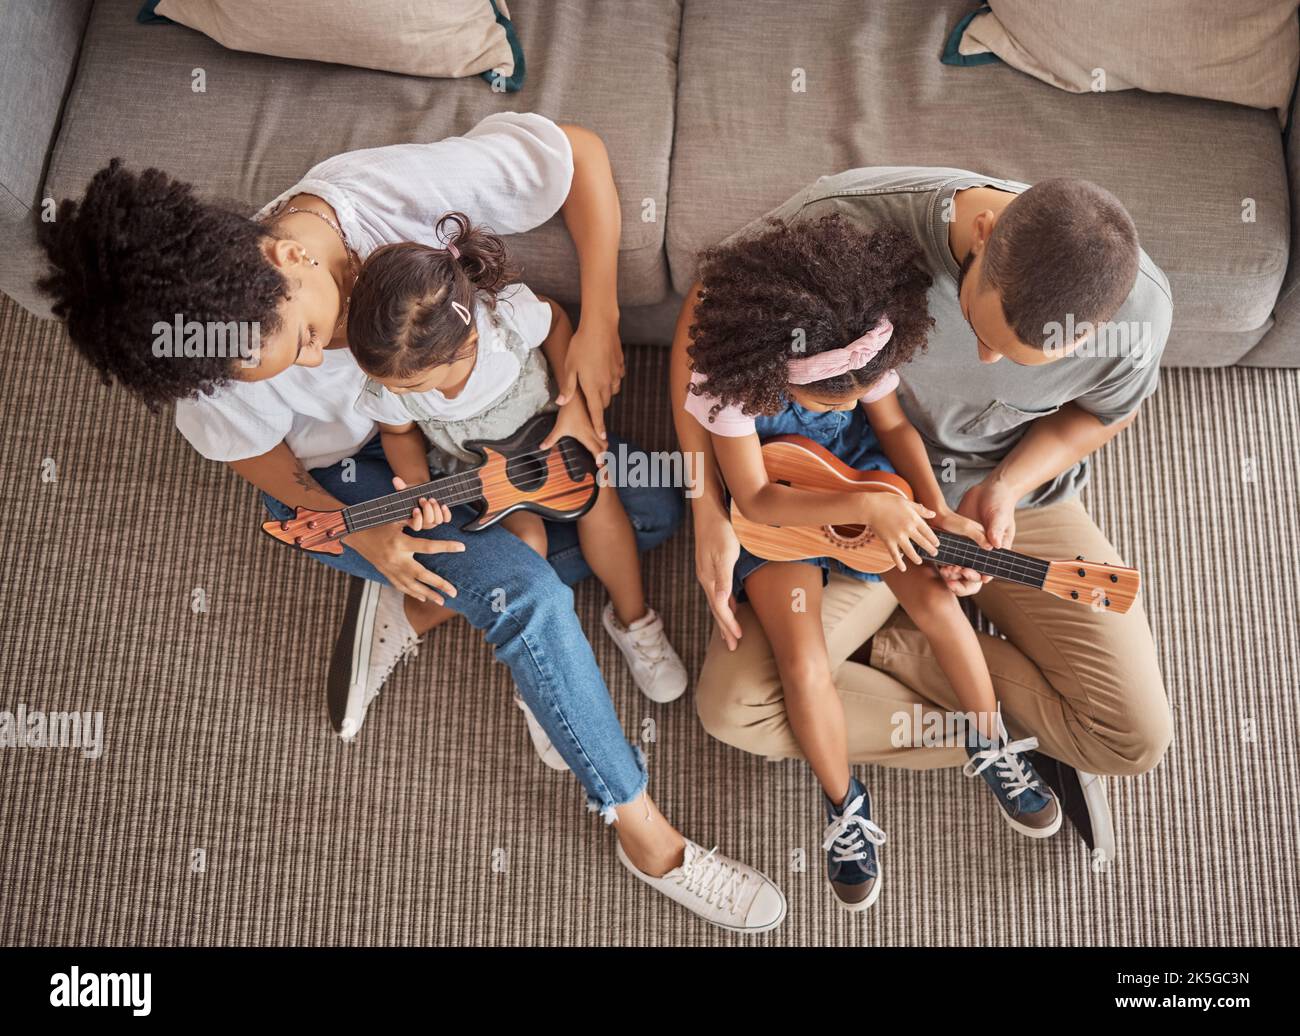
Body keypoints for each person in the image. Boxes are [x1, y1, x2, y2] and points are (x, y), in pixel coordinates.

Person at [40, 113, 787, 932]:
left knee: (643, 511)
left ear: (286, 256)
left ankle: (420, 604)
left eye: (307, 337)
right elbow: (277, 475)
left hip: (461, 441)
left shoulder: (380, 196)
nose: (312, 362)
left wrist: (599, 322)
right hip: (350, 485)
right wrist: (362, 528)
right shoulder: (208, 359)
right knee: (528, 595)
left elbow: (579, 153)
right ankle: (645, 833)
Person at [672, 170, 1173, 848]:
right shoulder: (849, 222)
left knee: (1132, 738)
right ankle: (966, 731)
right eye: (978, 326)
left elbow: (1107, 414)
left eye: (1021, 356)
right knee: (736, 708)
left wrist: (1004, 488)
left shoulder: (1135, 307)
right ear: (984, 234)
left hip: (963, 491)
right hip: (836, 492)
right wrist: (705, 505)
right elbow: (711, 316)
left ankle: (948, 694)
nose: (987, 356)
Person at [685, 216, 1061, 910]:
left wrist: (932, 508)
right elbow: (758, 497)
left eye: (861, 389)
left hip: (860, 474)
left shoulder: (859, 351)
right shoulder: (727, 387)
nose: (855, 401)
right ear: (775, 373)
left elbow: (890, 428)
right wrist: (852, 511)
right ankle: (843, 803)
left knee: (937, 600)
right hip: (783, 516)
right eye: (834, 399)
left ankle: (989, 741)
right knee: (800, 663)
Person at [346, 212, 689, 735]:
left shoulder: (504, 319)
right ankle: (538, 669)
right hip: (472, 472)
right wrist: (417, 488)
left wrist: (574, 405)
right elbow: (397, 435)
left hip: (547, 438)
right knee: (525, 543)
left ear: (460, 349)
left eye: (415, 387)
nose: (404, 395)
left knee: (599, 499)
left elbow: (554, 322)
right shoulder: (390, 385)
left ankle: (634, 618)